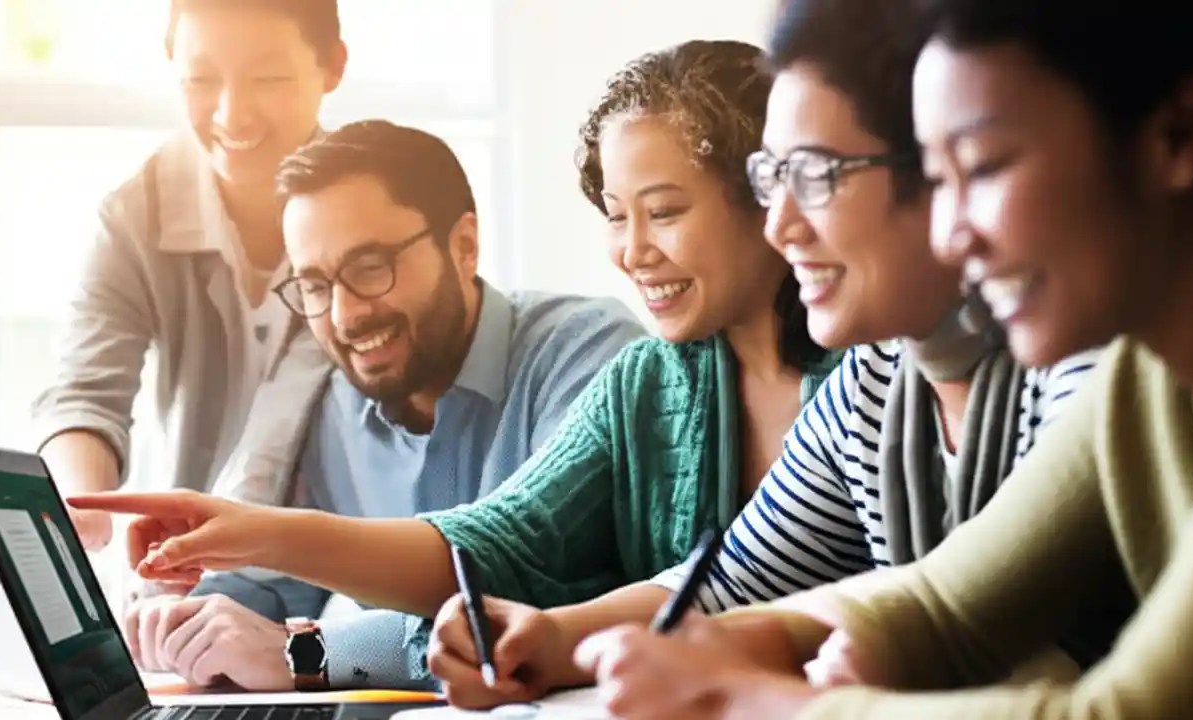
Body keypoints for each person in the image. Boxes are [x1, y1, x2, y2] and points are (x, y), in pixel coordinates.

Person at [69, 38, 840, 683]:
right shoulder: (652, 383)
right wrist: (246, 532)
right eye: (614, 217)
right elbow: (502, 540)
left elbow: (738, 594)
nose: (633, 252)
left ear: (767, 194)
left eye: (664, 213)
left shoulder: (859, 382)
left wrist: (315, 646)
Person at [423, 0, 1110, 709]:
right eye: (771, 178)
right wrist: (553, 641)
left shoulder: (1086, 370)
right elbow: (740, 583)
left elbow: (1062, 667)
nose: (779, 225)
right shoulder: (875, 381)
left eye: (815, 176)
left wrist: (757, 693)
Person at [575, 1, 1193, 718]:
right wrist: (755, 647)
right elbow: (941, 603)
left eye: (985, 167)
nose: (950, 234)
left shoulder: (1096, 370)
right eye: (938, 180)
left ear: (1178, 136)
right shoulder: (1142, 379)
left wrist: (751, 698)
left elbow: (1129, 711)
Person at [120, 120, 645, 692]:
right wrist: (180, 613)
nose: (345, 317)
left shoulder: (589, 353)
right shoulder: (329, 407)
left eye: (371, 268)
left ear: (464, 245)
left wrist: (303, 653)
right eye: (315, 285)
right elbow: (271, 589)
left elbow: (541, 595)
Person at [32, 0, 346, 551]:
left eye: (268, 78)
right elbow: (85, 394)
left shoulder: (373, 217)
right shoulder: (136, 216)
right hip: (181, 579)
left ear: (332, 67)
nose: (232, 114)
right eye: (201, 79)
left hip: (338, 584)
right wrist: (80, 508)